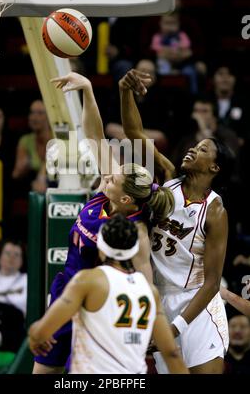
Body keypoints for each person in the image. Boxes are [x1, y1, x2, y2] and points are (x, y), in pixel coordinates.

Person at [32, 71, 175, 374]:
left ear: (127, 200)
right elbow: (95, 137)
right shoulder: (107, 192)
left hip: (98, 309)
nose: (107, 174)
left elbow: (146, 285)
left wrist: (149, 327)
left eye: (113, 178)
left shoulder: (136, 232)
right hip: (64, 295)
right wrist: (87, 89)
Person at [120, 68, 234, 374]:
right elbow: (134, 136)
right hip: (161, 298)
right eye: (194, 146)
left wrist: (176, 328)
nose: (193, 149)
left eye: (203, 150)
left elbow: (212, 282)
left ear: (214, 167)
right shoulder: (169, 178)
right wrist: (125, 92)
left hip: (197, 306)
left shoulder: (215, 211)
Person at [29, 214, 189, 374]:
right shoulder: (150, 291)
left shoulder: (88, 281)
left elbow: (40, 332)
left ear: (100, 247)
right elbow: (172, 353)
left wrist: (35, 335)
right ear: (134, 250)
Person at [150, 12, 199, 94]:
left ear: (178, 24)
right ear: (160, 24)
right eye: (167, 23)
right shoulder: (158, 36)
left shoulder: (181, 35)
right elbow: (154, 46)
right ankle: (162, 91)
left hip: (182, 63)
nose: (169, 27)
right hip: (165, 61)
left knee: (190, 71)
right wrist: (164, 49)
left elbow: (187, 44)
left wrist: (180, 47)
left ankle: (194, 93)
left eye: (173, 23)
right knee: (162, 66)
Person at [12, 99, 54, 195]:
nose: (34, 117)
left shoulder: (57, 138)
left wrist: (41, 176)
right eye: (32, 113)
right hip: (33, 186)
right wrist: (24, 166)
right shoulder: (25, 140)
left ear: (48, 116)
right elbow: (16, 174)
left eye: (40, 113)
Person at [0, 240, 27, 318]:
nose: (12, 258)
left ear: (22, 260)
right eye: (8, 253)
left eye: (16, 255)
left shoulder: (28, 280)